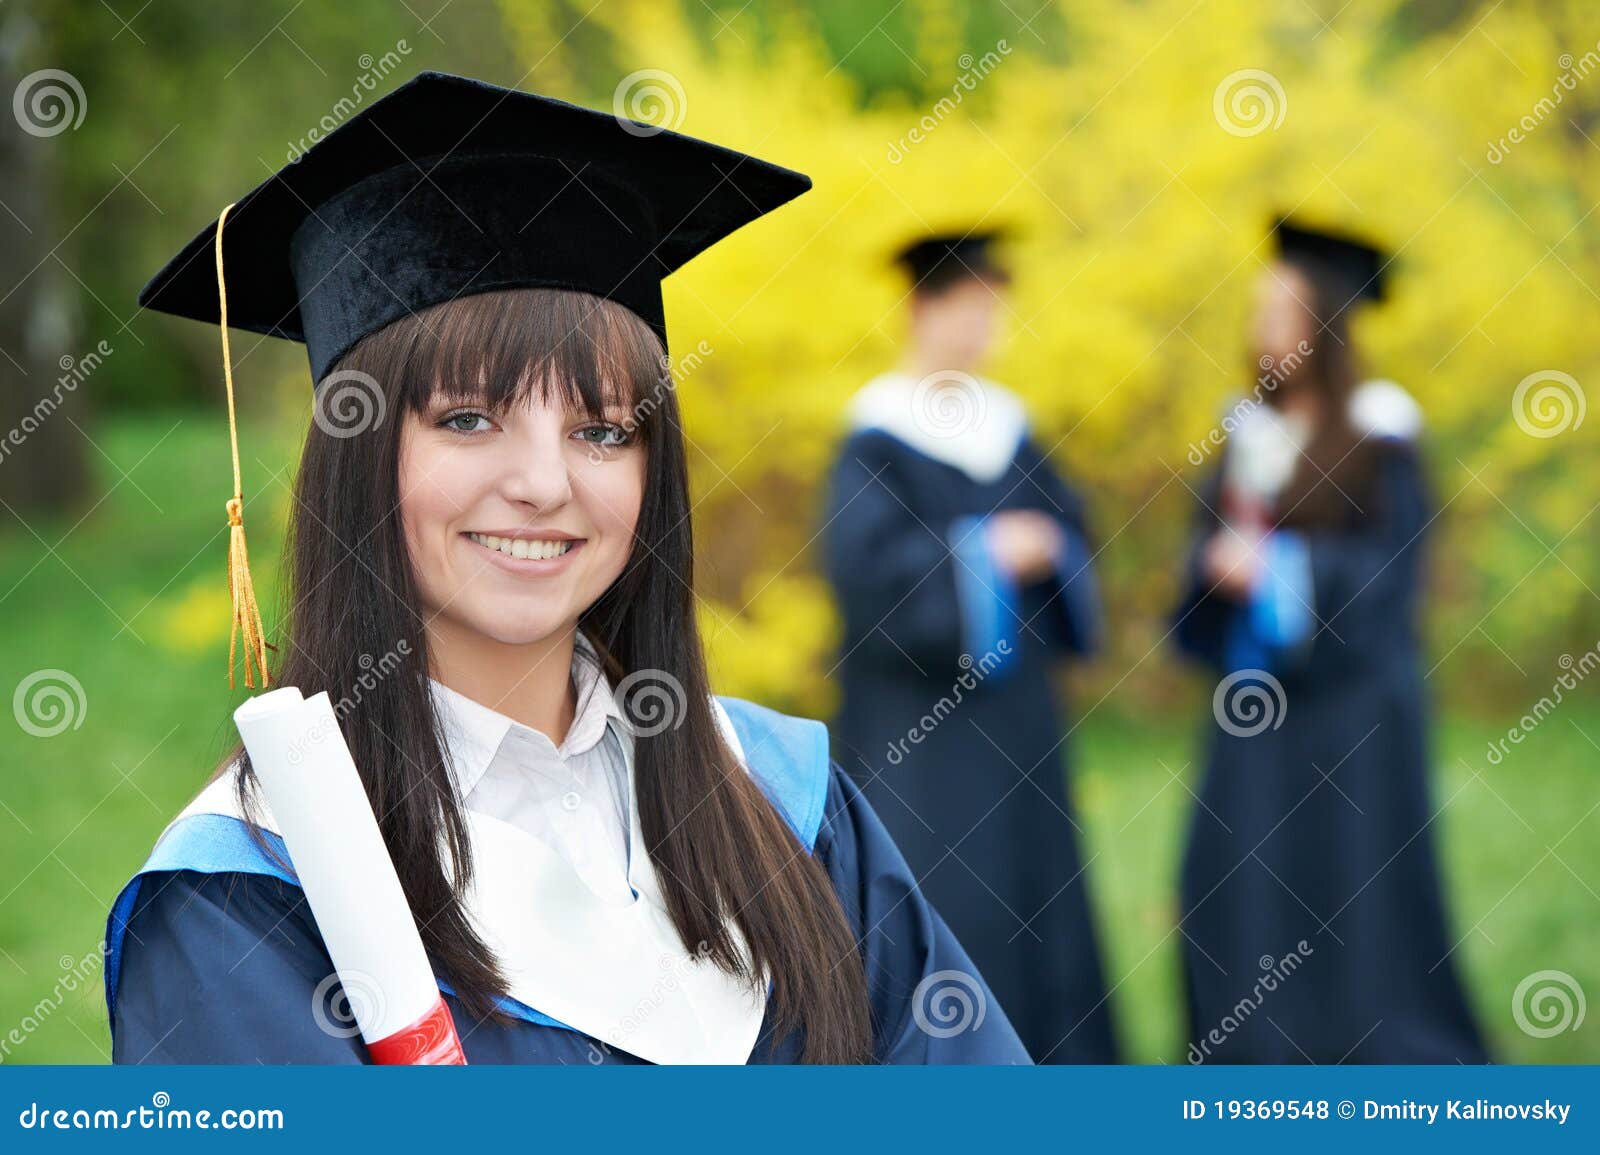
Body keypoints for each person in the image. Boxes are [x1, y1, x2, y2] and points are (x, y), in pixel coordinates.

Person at [103, 71, 1029, 1066]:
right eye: (468, 419)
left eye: (601, 430)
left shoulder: (784, 804)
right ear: (356, 457)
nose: (545, 484)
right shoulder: (248, 900)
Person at [1170, 217, 1488, 1063]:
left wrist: (1273, 574)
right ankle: (1257, 1053)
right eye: (1259, 310)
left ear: (1329, 323)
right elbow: (1196, 567)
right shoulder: (1243, 435)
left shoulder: (1383, 436)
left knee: (1353, 890)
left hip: (1355, 716)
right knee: (1230, 878)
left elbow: (1389, 578)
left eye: (1284, 309)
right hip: (1257, 710)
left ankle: (1368, 1058)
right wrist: (1215, 569)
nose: (1265, 328)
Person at [821, 231, 1118, 1063]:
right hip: (921, 733)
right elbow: (867, 581)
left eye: (994, 306)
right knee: (948, 895)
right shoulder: (875, 436)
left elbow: (1073, 539)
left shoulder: (1009, 428)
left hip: (1019, 721)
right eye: (967, 304)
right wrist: (986, 554)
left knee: (1039, 894)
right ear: (921, 309)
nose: (984, 325)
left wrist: (1050, 547)